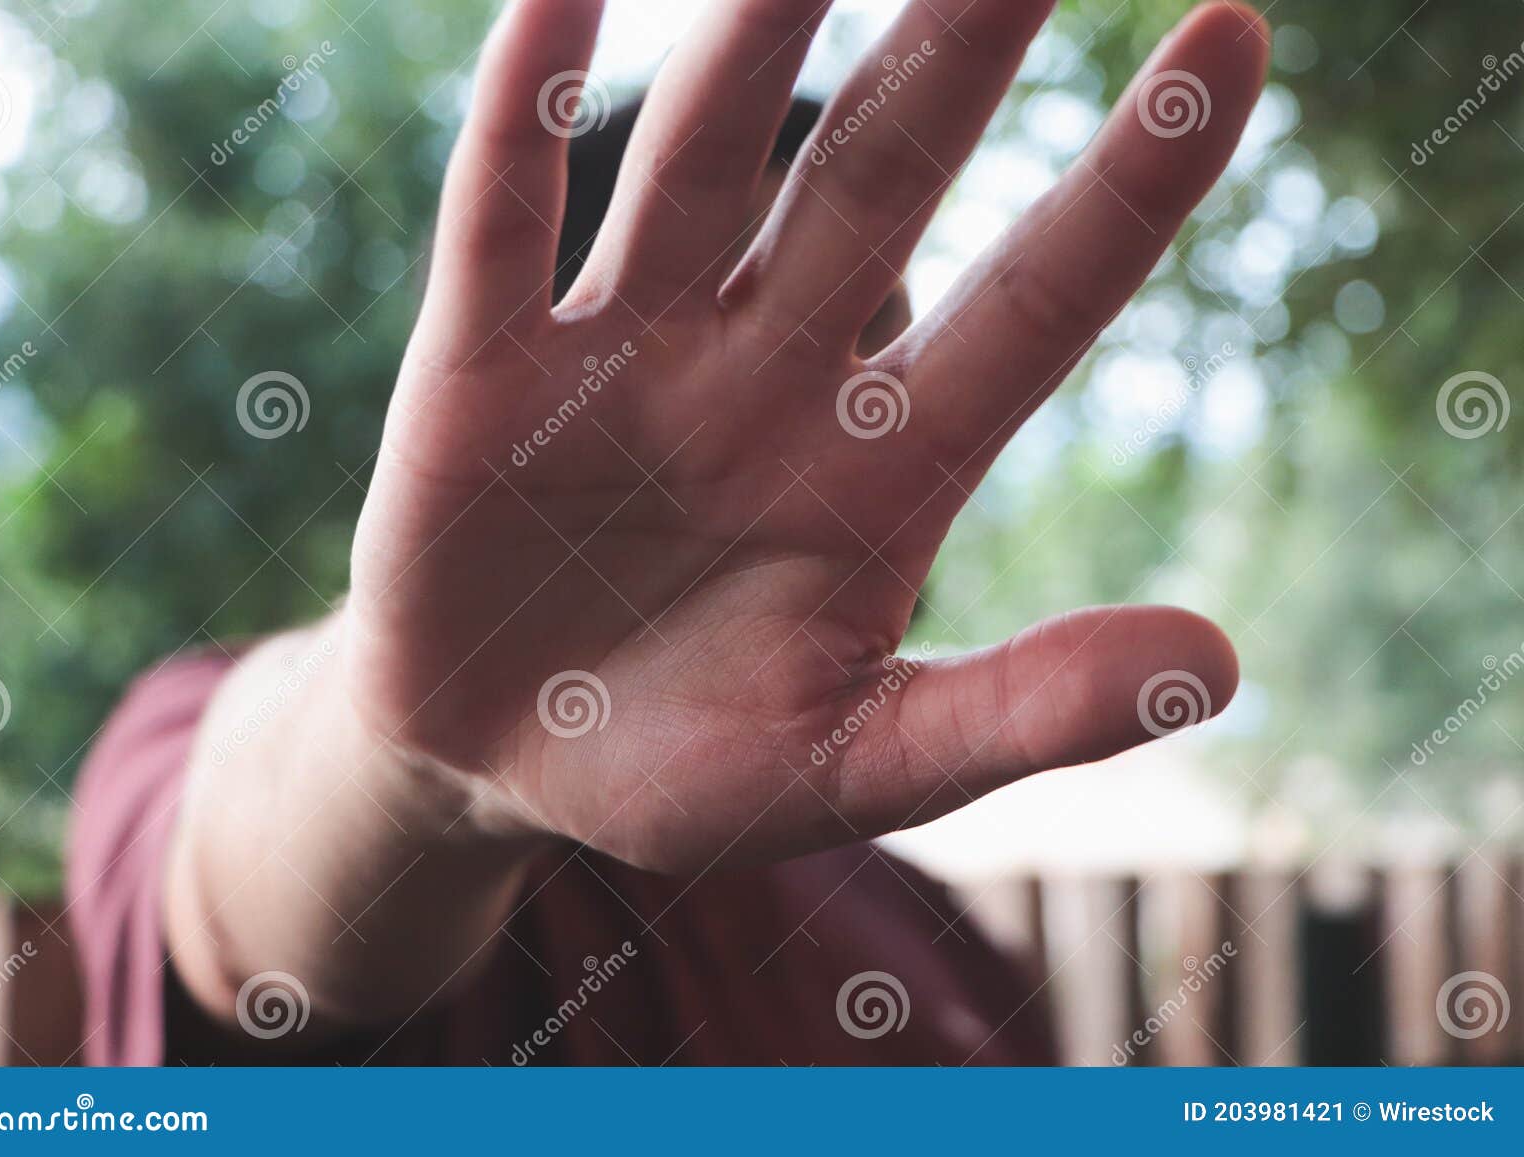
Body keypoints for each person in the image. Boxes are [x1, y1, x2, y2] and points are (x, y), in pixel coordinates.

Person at [66, 0, 1265, 1064]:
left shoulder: (934, 935)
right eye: (740, 321)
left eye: (872, 339)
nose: (833, 403)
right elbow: (264, 892)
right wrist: (415, 764)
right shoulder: (228, 739)